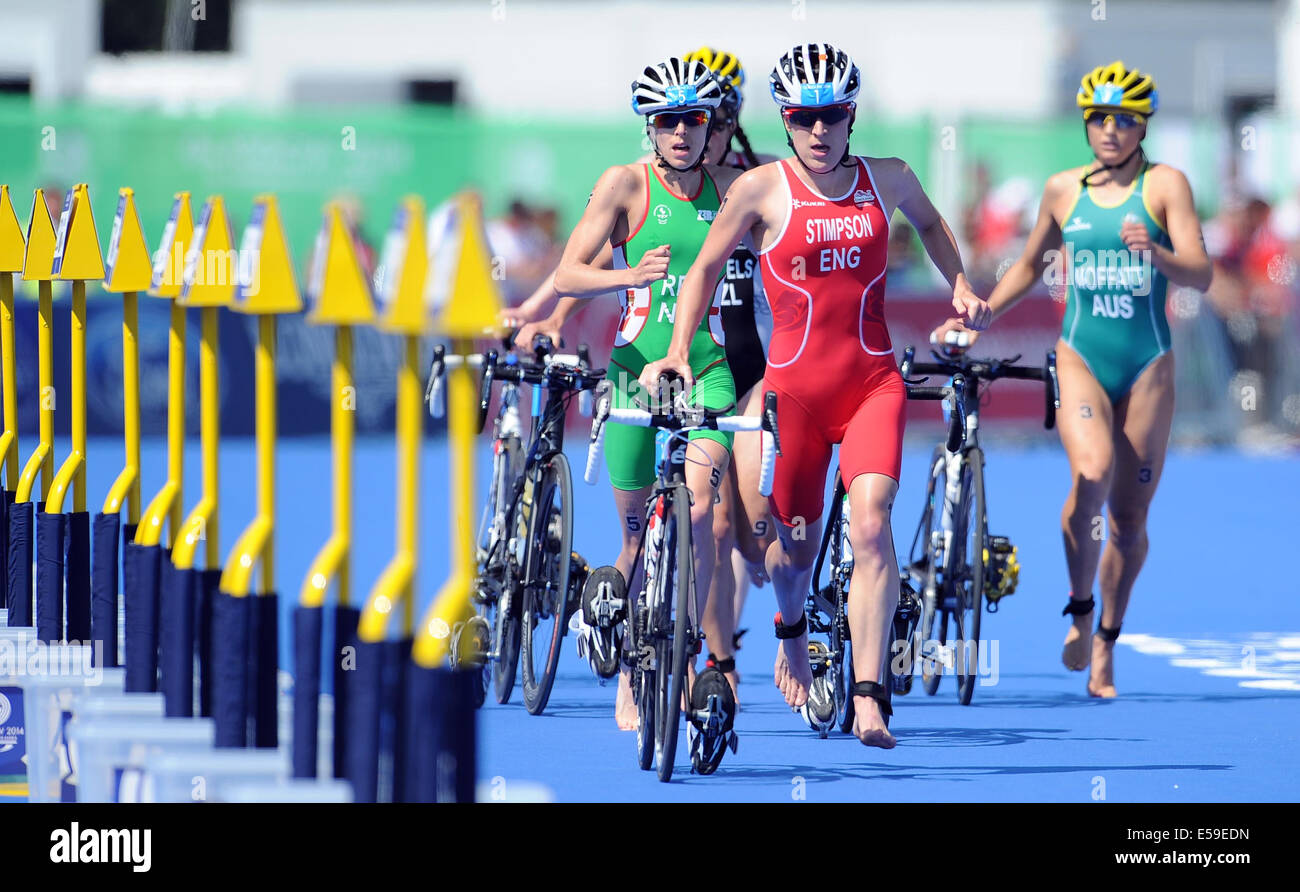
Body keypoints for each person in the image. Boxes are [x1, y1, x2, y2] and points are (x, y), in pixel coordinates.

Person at [640, 42, 990, 748]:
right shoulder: (759, 189)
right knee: (790, 555)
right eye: (803, 118)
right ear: (786, 118)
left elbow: (929, 223)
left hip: (871, 384)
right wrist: (677, 350)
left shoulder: (886, 177)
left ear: (851, 114)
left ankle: (867, 695)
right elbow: (705, 270)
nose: (819, 131)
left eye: (832, 115)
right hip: (792, 394)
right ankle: (792, 631)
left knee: (869, 527)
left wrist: (959, 282)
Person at [931, 61, 1212, 697]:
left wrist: (1159, 253)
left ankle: (1109, 638)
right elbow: (1032, 264)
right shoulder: (1063, 189)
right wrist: (981, 317)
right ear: (1086, 123)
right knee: (1090, 475)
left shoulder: (1165, 185)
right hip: (1081, 355)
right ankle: (1080, 609)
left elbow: (1202, 274)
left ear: (1143, 126)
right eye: (1100, 118)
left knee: (1129, 521)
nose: (1111, 129)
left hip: (1148, 364)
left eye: (1125, 119)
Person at [547, 57, 745, 732]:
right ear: (650, 127)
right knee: (634, 541)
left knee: (698, 518)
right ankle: (632, 668)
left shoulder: (735, 188)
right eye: (668, 121)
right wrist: (629, 273)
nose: (683, 133)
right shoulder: (624, 185)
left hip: (708, 371)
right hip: (634, 371)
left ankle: (687, 666)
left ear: (712, 124)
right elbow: (570, 273)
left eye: (694, 119)